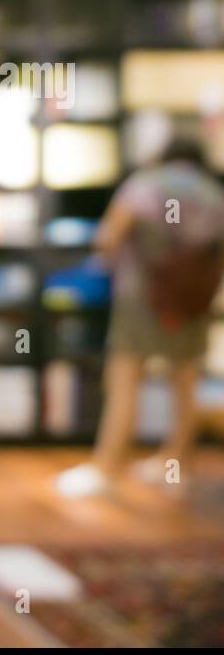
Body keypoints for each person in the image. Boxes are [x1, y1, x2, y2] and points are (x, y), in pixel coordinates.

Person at [57, 136, 224, 498]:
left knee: (125, 378)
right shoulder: (213, 193)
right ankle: (176, 468)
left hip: (141, 297)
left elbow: (108, 239)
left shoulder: (145, 185)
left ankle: (107, 468)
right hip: (193, 301)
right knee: (185, 383)